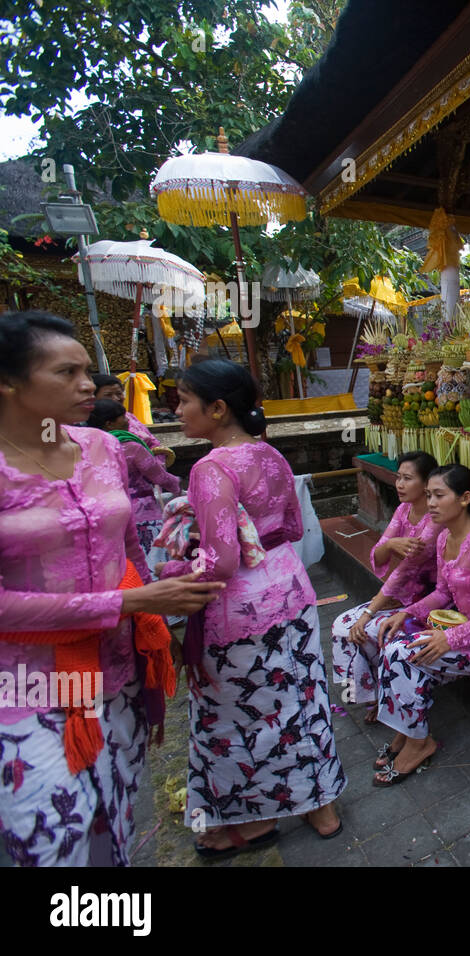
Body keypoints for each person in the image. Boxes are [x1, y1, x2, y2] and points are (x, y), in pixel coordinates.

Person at [0, 311, 220, 866]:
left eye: (87, 371)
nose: (87, 386)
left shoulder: (99, 446)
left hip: (118, 667)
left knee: (115, 817)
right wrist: (131, 603)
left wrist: (158, 610)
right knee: (55, 839)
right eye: (65, 373)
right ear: (8, 383)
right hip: (31, 687)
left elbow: (124, 549)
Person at [156, 358, 345, 858]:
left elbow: (219, 562)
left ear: (218, 409)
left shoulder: (211, 467)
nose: (176, 410)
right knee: (302, 699)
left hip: (238, 613)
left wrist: (172, 575)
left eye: (183, 400)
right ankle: (320, 805)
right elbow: (292, 528)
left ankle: (249, 822)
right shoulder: (269, 454)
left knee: (234, 718)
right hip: (291, 593)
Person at [372, 465, 470, 784]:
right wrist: (408, 612)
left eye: (439, 495)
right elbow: (442, 592)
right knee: (391, 635)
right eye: (428, 495)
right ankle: (406, 728)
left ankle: (418, 743)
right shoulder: (443, 539)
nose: (430, 503)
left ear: (465, 498)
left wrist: (451, 639)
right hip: (462, 629)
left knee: (405, 656)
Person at [330, 451, 437, 723]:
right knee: (343, 626)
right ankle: (374, 695)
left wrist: (368, 613)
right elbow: (378, 554)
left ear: (426, 485)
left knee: (367, 629)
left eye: (407, 478)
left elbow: (404, 570)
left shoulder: (434, 522)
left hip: (423, 603)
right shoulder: (403, 511)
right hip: (395, 597)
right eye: (398, 477)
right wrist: (389, 545)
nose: (399, 484)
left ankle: (387, 699)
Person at [87, 398, 181, 558]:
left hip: (105, 514)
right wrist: (178, 488)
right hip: (142, 514)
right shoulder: (131, 447)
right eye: (123, 417)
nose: (127, 421)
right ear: (109, 423)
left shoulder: (87, 446)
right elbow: (160, 477)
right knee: (151, 560)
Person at [92, 372, 168, 461]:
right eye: (108, 395)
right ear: (93, 398)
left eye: (119, 393)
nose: (116, 398)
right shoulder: (94, 424)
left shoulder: (130, 417)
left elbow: (154, 443)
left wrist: (157, 462)